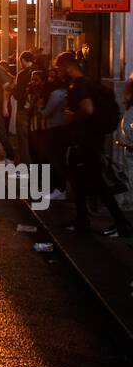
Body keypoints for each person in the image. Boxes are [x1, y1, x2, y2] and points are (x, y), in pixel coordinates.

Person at [52, 50, 131, 236]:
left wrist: (73, 117)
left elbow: (88, 109)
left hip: (86, 143)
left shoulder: (79, 85)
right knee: (79, 181)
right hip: (88, 141)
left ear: (68, 67)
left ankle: (122, 224)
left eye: (59, 68)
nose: (57, 72)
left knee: (97, 183)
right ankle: (82, 221)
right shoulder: (86, 83)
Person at [11, 51, 35, 164]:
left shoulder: (23, 74)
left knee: (22, 138)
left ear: (23, 60)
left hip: (24, 110)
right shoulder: (39, 71)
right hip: (36, 111)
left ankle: (25, 165)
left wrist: (12, 88)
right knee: (33, 139)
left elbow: (17, 95)